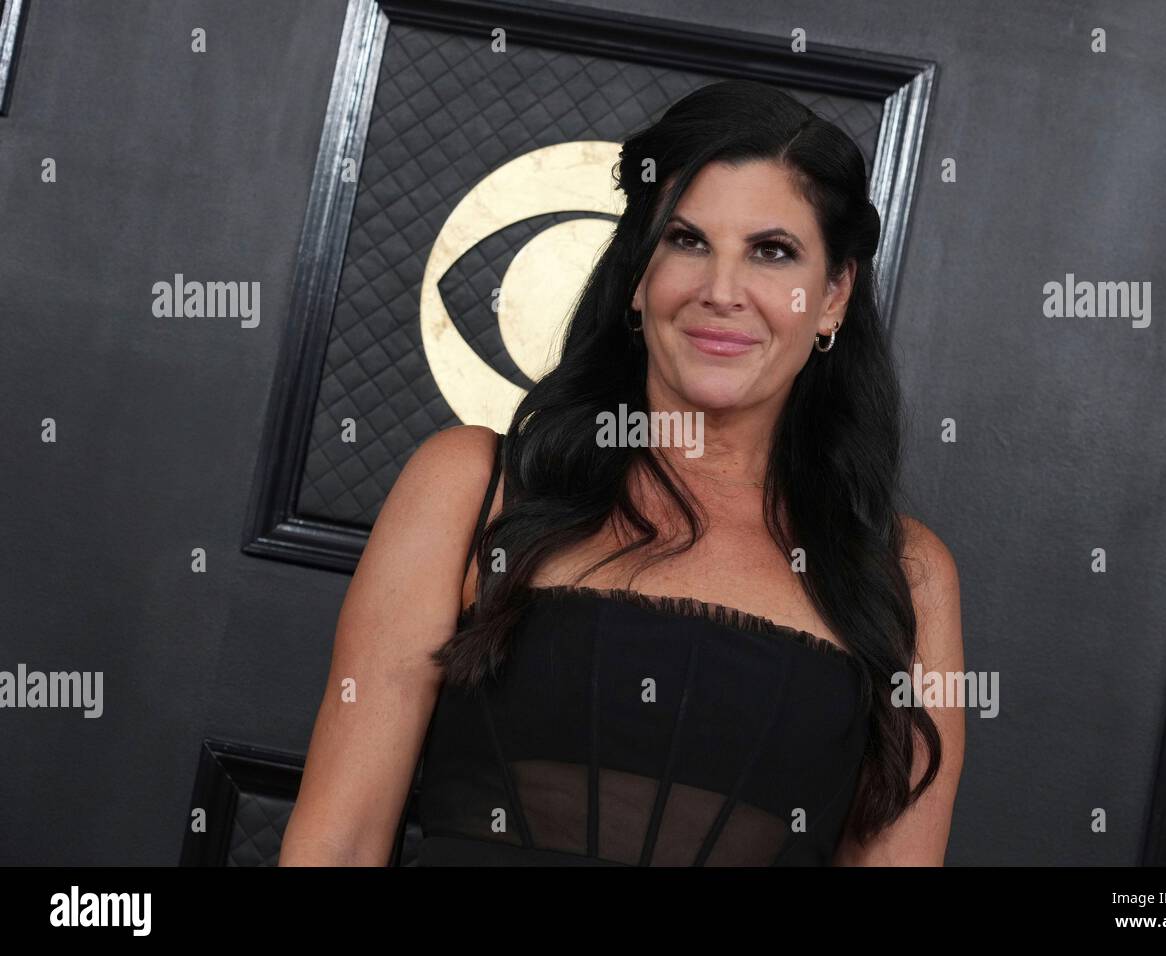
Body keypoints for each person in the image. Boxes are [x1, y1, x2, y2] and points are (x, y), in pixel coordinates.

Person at [280, 79, 963, 866]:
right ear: (638, 276)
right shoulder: (469, 489)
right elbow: (339, 843)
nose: (722, 291)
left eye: (772, 252)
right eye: (686, 241)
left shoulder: (905, 580)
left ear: (834, 294)